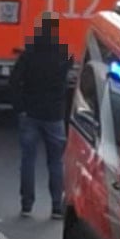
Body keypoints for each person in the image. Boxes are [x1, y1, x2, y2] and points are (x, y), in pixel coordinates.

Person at [10, 15, 74, 219]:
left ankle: (27, 204)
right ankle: (57, 206)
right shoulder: (63, 54)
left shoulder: (29, 53)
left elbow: (14, 80)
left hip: (30, 113)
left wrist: (20, 106)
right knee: (55, 162)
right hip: (54, 115)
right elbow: (67, 80)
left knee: (28, 160)